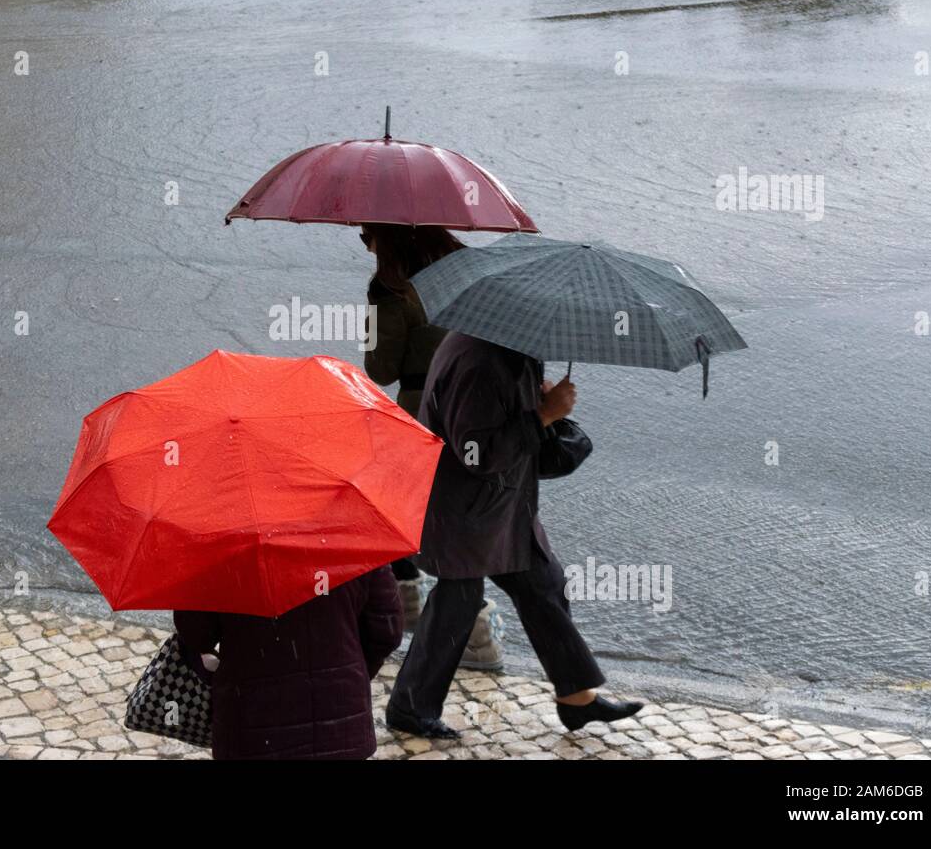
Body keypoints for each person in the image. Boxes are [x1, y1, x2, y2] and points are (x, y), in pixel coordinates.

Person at [386, 331, 645, 739]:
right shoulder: (479, 363)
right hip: (466, 512)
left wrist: (538, 399)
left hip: (502, 508)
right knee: (458, 602)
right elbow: (476, 452)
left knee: (545, 584)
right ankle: (409, 708)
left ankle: (576, 699)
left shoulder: (507, 350)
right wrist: (542, 415)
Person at [360, 223, 504, 671]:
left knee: (393, 509)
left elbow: (380, 369)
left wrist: (374, 320)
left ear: (389, 238)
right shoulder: (474, 273)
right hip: (480, 412)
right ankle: (449, 621)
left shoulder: (391, 290)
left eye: (367, 234)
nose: (364, 244)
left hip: (422, 413)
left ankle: (430, 614)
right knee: (456, 518)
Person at [173, 566, 402, 759]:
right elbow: (386, 632)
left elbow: (197, 634)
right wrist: (349, 674)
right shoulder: (355, 536)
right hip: (339, 724)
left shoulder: (219, 546)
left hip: (250, 725)